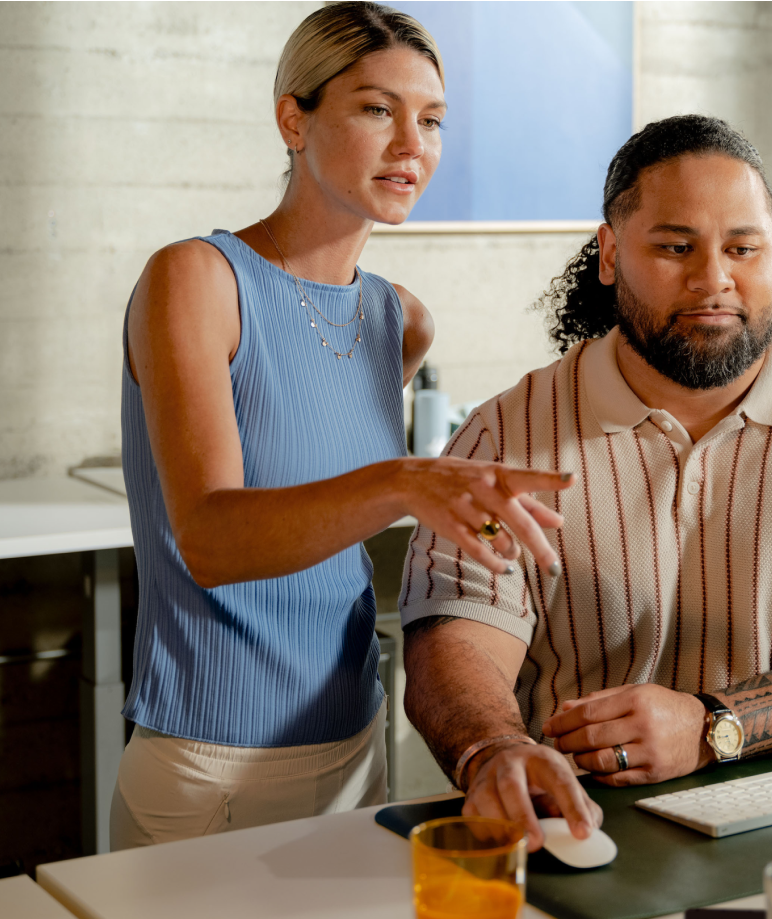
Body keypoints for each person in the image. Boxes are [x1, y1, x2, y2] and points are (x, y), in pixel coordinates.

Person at [111, 1, 574, 850]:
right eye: (375, 109)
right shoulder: (198, 280)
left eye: (431, 120)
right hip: (210, 767)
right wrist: (405, 480)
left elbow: (330, 507)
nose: (412, 145)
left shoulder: (399, 319)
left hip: (357, 748)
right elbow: (212, 539)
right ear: (294, 117)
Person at [399, 115, 772, 850]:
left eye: (743, 248)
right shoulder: (505, 436)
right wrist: (495, 751)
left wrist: (713, 724)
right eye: (674, 247)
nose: (714, 279)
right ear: (608, 253)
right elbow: (456, 642)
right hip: (581, 826)